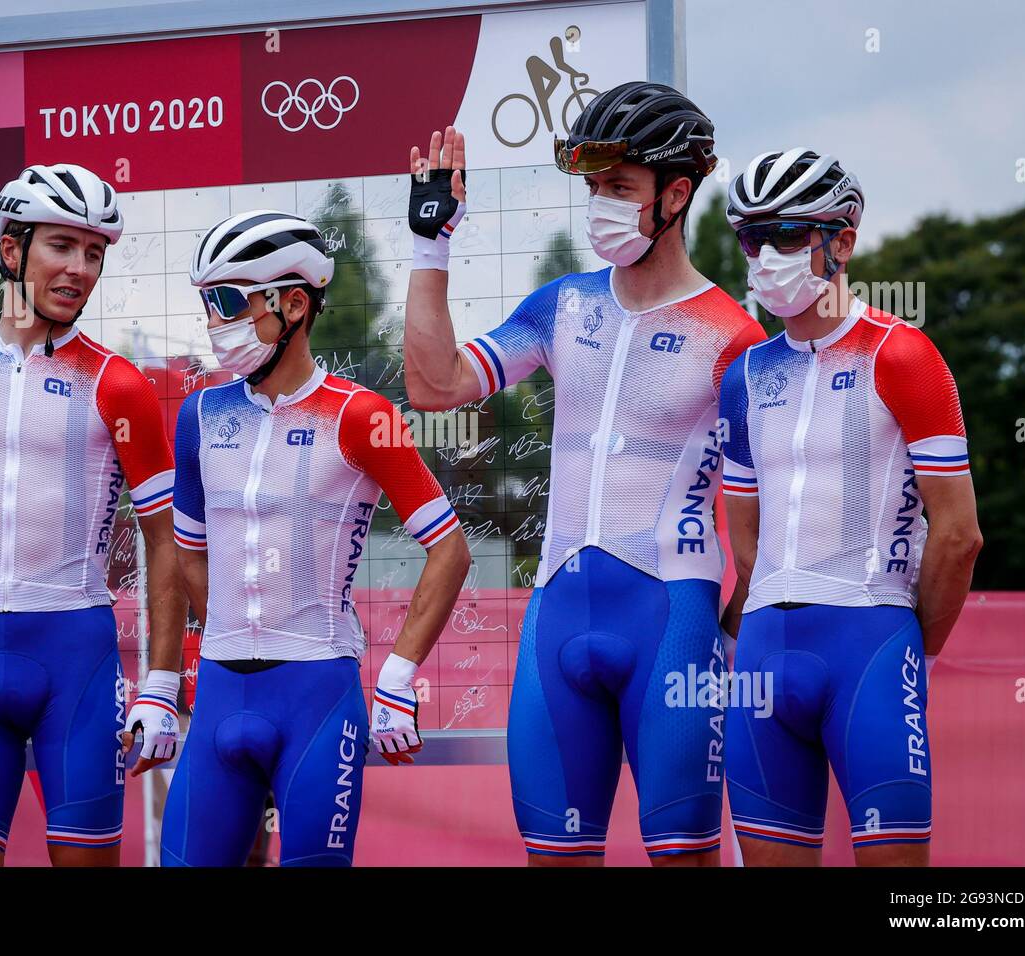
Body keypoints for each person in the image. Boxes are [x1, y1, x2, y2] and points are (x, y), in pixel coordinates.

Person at [403, 82, 766, 865]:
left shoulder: (733, 335)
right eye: (593, 186)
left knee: (688, 855)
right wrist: (431, 247)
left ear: (675, 195)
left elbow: (765, 516)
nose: (598, 203)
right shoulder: (562, 305)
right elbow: (434, 386)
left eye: (619, 187)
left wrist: (736, 636)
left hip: (672, 623)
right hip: (556, 621)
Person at [0, 164, 188, 866]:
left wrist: (161, 686)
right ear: (11, 251)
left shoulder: (120, 384)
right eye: (61, 246)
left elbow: (163, 541)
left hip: (75, 656)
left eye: (94, 253)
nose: (80, 269)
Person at [163, 210, 471, 866]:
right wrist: (211, 639)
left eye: (228, 301)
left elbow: (449, 548)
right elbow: (185, 549)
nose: (215, 321)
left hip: (316, 698)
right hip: (219, 690)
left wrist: (398, 674)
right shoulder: (201, 414)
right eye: (207, 303)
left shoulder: (361, 415)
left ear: (294, 303)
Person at [719, 148, 983, 865]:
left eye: (785, 235)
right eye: (750, 237)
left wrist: (910, 642)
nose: (765, 254)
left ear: (842, 240)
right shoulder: (743, 376)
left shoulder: (904, 356)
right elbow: (744, 541)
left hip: (870, 643)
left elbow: (959, 537)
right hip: (768, 650)